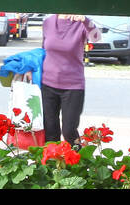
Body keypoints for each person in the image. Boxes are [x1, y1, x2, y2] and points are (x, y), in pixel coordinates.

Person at [40, 13, 101, 146]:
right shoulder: (48, 22)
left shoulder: (81, 24)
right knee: (50, 131)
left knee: (69, 131)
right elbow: (43, 50)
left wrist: (85, 20)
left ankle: (77, 162)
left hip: (73, 85)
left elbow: (96, 37)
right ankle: (52, 164)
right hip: (48, 83)